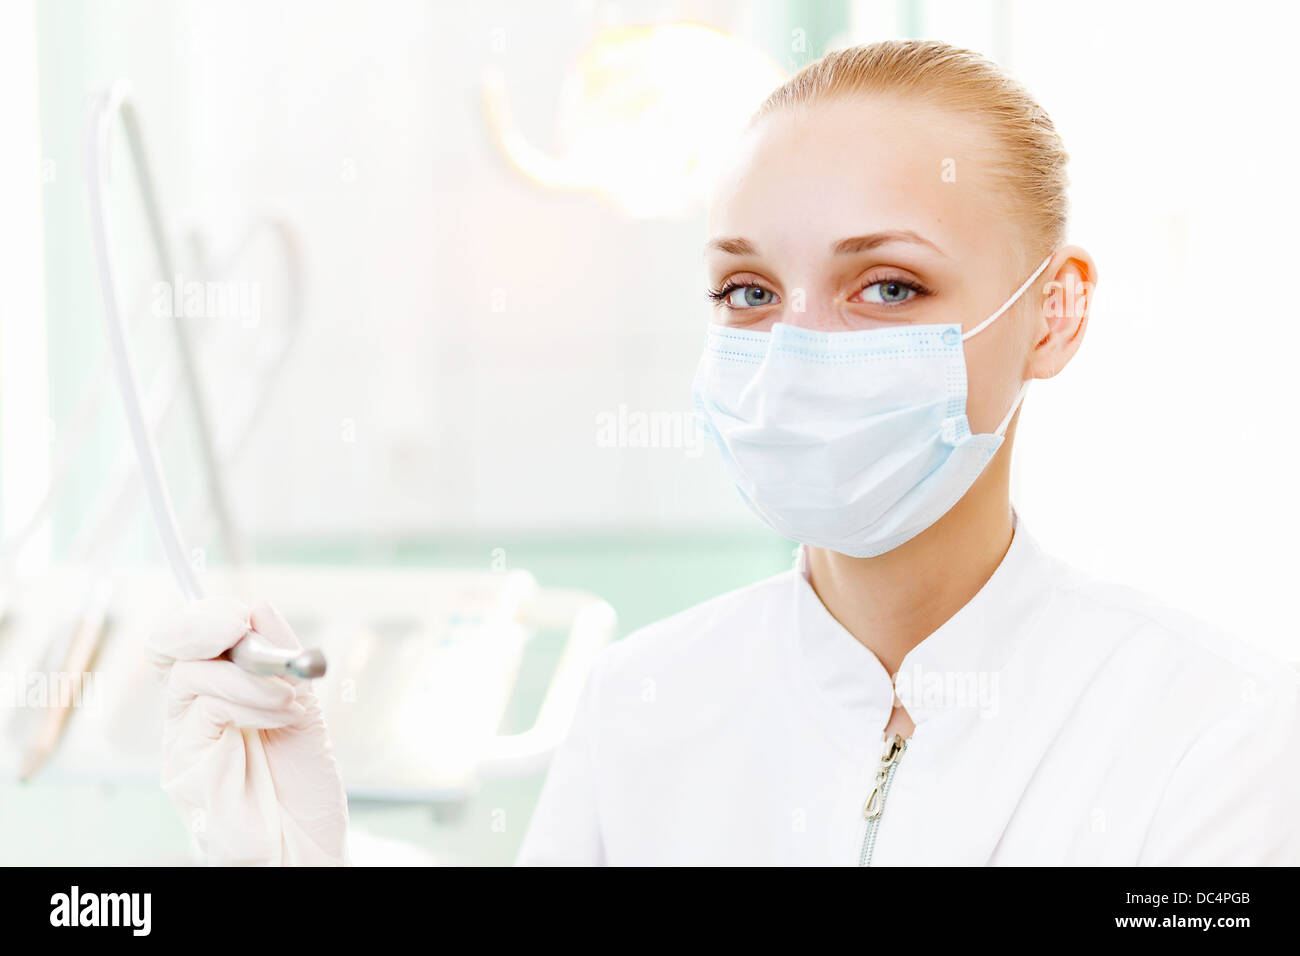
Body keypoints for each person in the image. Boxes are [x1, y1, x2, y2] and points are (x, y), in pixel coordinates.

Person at [149, 39, 1300, 866]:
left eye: (885, 285)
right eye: (747, 290)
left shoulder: (1209, 728)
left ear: (1051, 313)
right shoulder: (643, 703)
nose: (795, 346)